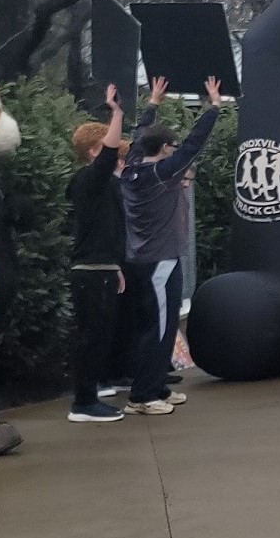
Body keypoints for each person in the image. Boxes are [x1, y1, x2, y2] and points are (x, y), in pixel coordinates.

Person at [119, 76, 225, 416]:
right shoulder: (162, 173)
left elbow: (139, 136)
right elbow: (194, 144)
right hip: (160, 260)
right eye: (172, 146)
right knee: (160, 328)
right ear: (165, 149)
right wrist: (214, 108)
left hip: (142, 258)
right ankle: (143, 397)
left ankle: (156, 387)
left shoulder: (132, 167)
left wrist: (153, 103)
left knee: (152, 326)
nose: (176, 149)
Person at [64, 85, 130, 423]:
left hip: (101, 267)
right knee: (92, 337)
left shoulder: (102, 185)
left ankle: (89, 397)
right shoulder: (89, 180)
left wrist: (115, 266)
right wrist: (116, 113)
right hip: (90, 271)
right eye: (106, 147)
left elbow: (110, 229)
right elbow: (108, 156)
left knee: (100, 336)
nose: (116, 154)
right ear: (93, 151)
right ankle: (84, 402)